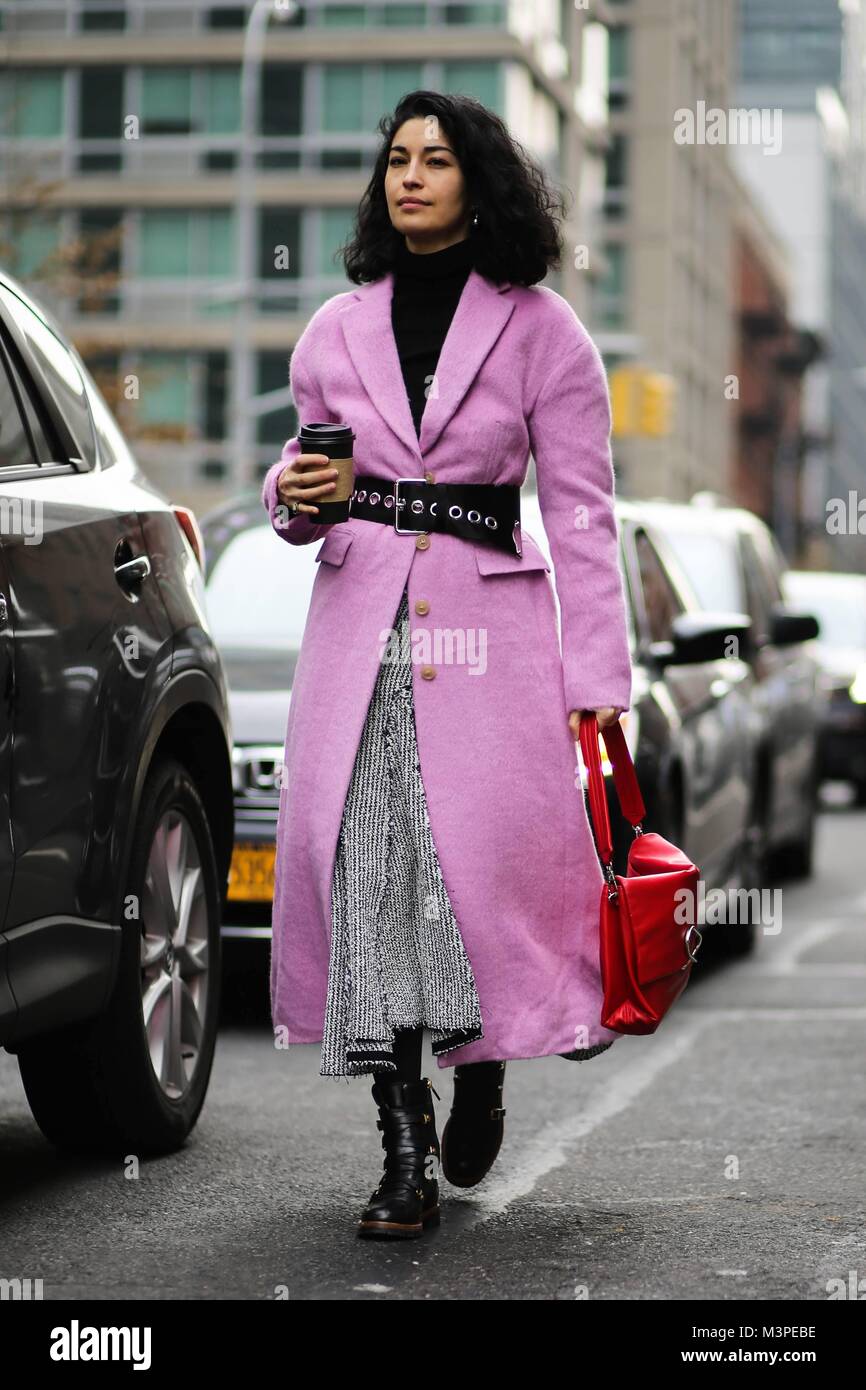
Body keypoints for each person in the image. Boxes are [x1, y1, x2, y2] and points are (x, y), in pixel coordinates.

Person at [261, 91, 631, 1240]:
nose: (408, 176)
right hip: (360, 632)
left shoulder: (542, 331)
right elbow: (295, 482)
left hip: (490, 635)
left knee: (475, 876)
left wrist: (597, 688)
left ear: (479, 181)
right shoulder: (332, 328)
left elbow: (580, 515)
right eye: (395, 161)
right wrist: (292, 498)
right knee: (367, 870)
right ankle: (401, 1143)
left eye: (434, 159)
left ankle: (483, 1066)